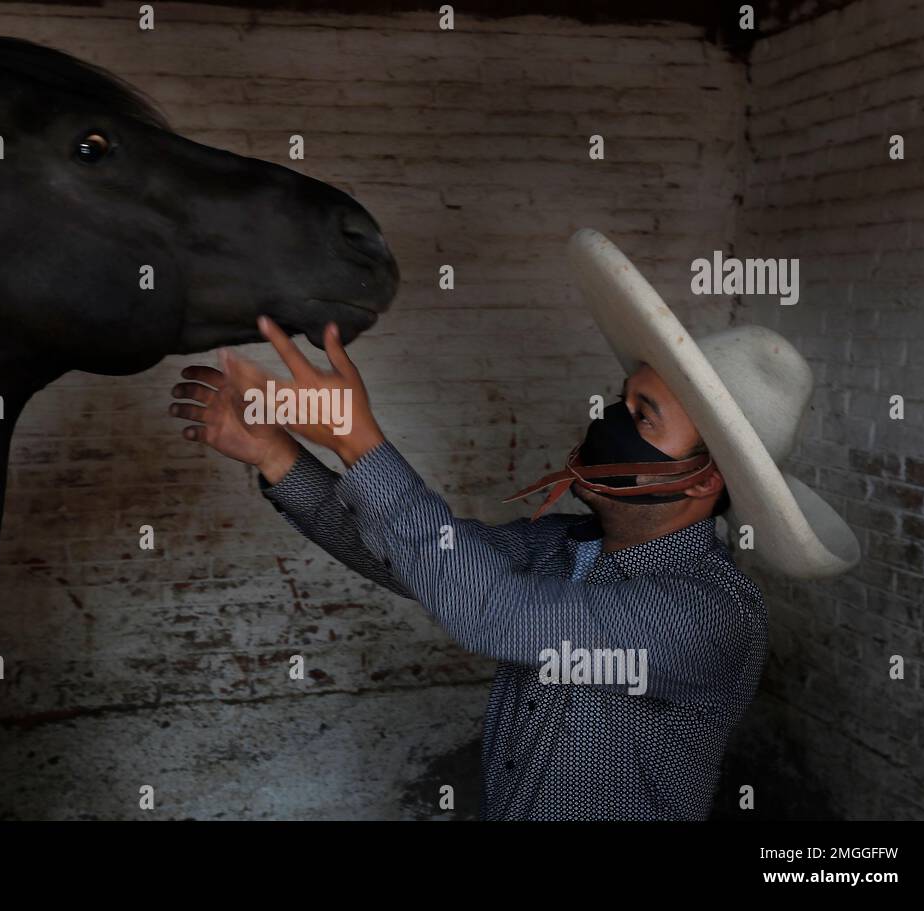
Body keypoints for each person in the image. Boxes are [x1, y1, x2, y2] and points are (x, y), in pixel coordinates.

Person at [168, 228, 860, 820]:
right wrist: (278, 454)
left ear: (705, 479)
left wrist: (359, 443)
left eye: (642, 415)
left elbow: (495, 612)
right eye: (623, 400)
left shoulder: (709, 612)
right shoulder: (561, 546)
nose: (608, 418)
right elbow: (409, 556)